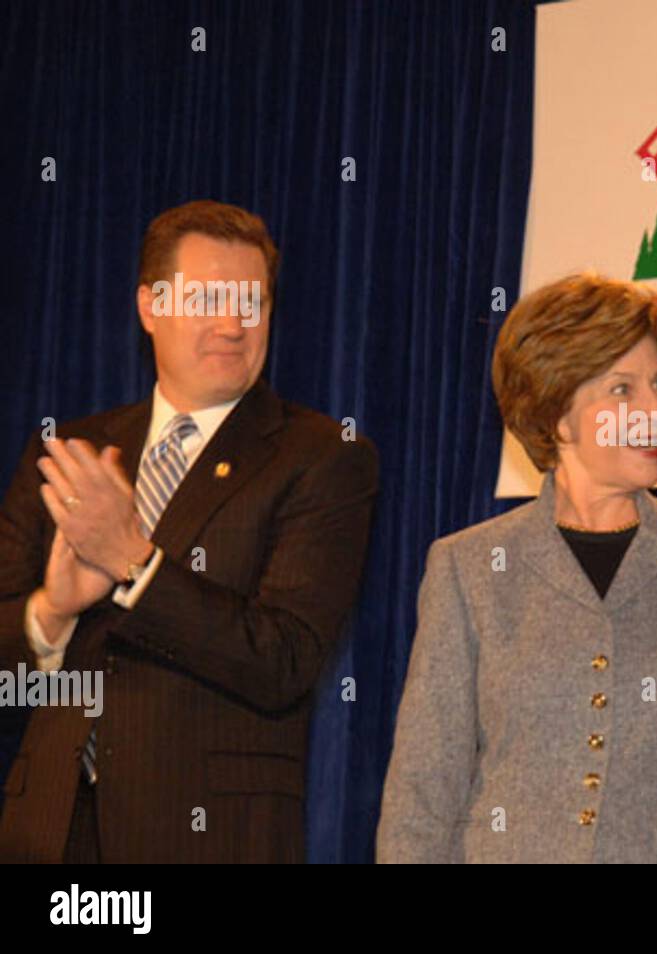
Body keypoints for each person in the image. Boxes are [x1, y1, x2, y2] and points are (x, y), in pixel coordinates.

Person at [0, 200, 379, 862]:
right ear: (150, 307)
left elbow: (283, 661)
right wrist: (52, 611)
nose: (233, 324)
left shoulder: (323, 457)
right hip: (53, 835)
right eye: (208, 298)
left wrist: (134, 564)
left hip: (208, 839)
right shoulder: (69, 450)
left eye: (252, 301)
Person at [377, 273, 657, 863]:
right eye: (621, 391)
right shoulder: (468, 568)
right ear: (557, 415)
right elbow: (422, 796)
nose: (655, 409)